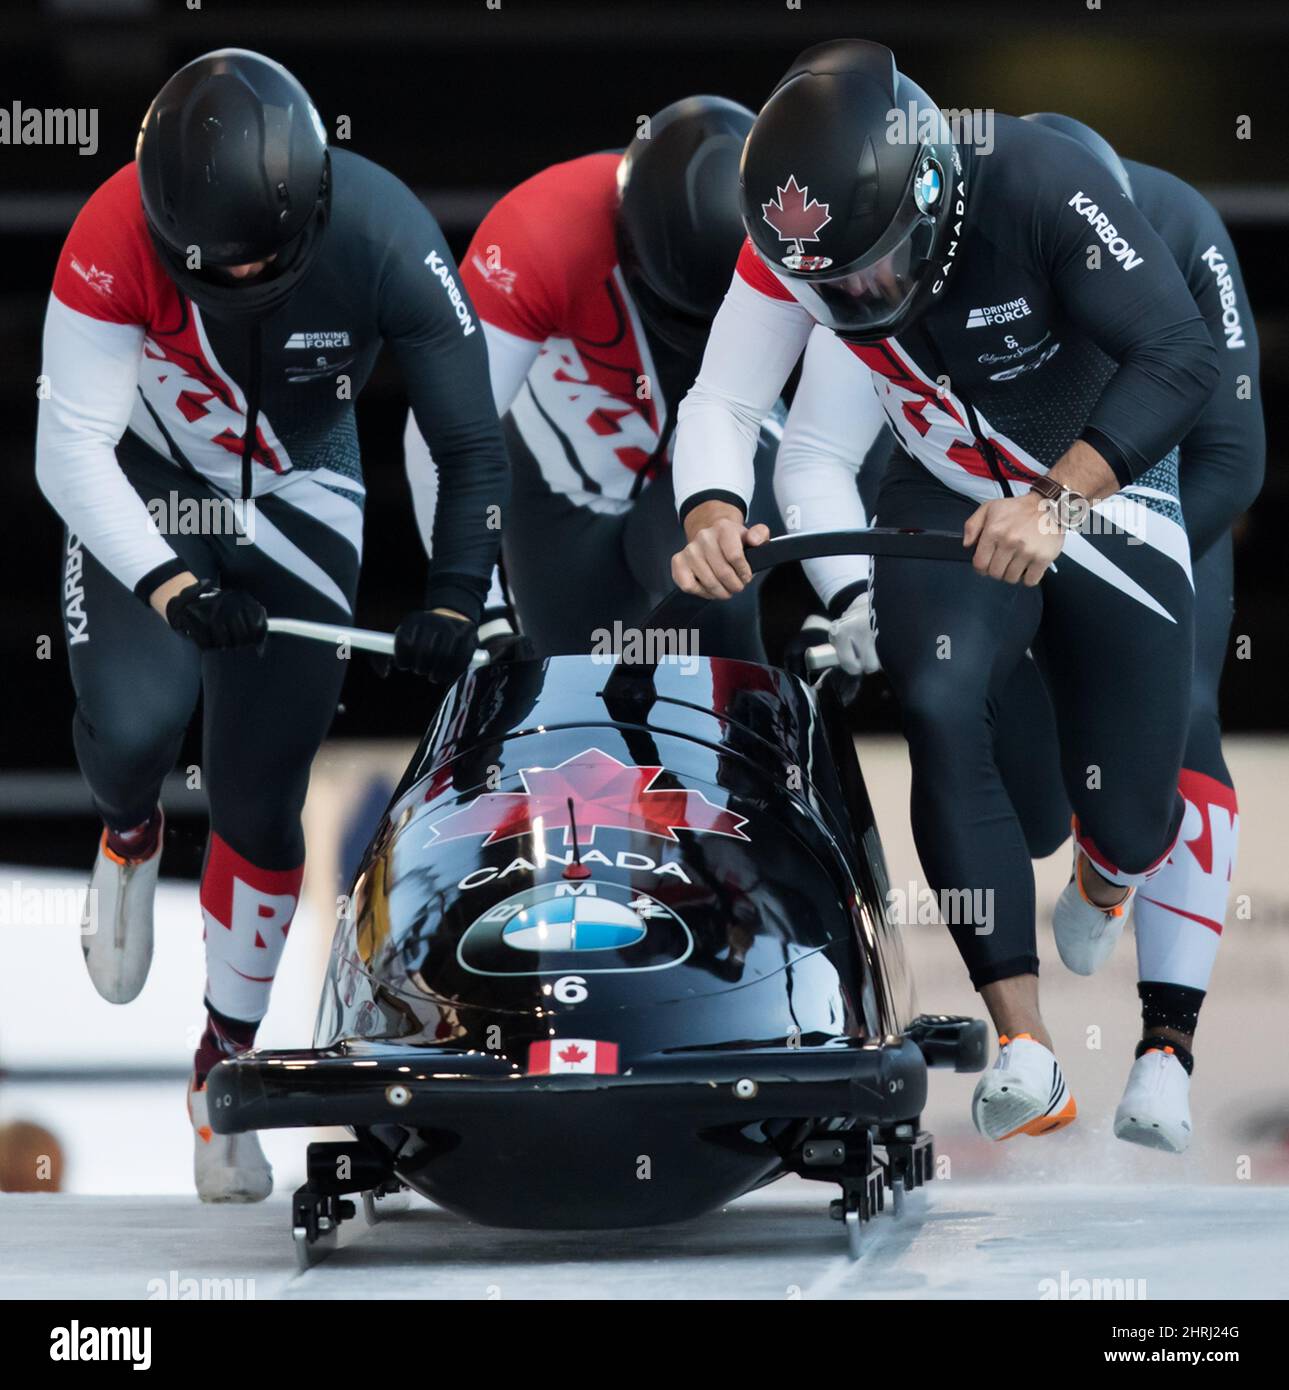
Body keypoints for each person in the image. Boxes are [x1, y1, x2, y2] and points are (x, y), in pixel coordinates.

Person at [669, 39, 1221, 1143]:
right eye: (830, 285)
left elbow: (1176, 354)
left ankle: (1108, 880)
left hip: (1101, 475)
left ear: (928, 196)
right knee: (931, 700)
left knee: (1129, 812)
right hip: (945, 487)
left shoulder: (1031, 185)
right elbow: (723, 398)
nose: (857, 297)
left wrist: (1055, 503)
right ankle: (1024, 1044)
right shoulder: (794, 243)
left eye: (872, 268)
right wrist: (710, 512)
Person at [35, 50, 508, 1200]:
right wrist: (169, 588)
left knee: (258, 792)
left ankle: (225, 1063)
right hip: (147, 475)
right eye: (215, 269)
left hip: (302, 477)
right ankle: (128, 829)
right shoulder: (108, 232)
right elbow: (70, 450)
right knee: (138, 718)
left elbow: (470, 448)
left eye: (260, 264)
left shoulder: (389, 234)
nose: (240, 276)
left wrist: (454, 597)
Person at [403, 97, 782, 662]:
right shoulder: (539, 233)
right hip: (560, 485)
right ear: (628, 245)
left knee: (716, 589)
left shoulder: (802, 232)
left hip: (712, 461)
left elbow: (855, 415)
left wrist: (848, 599)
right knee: (576, 692)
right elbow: (441, 436)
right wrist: (478, 609)